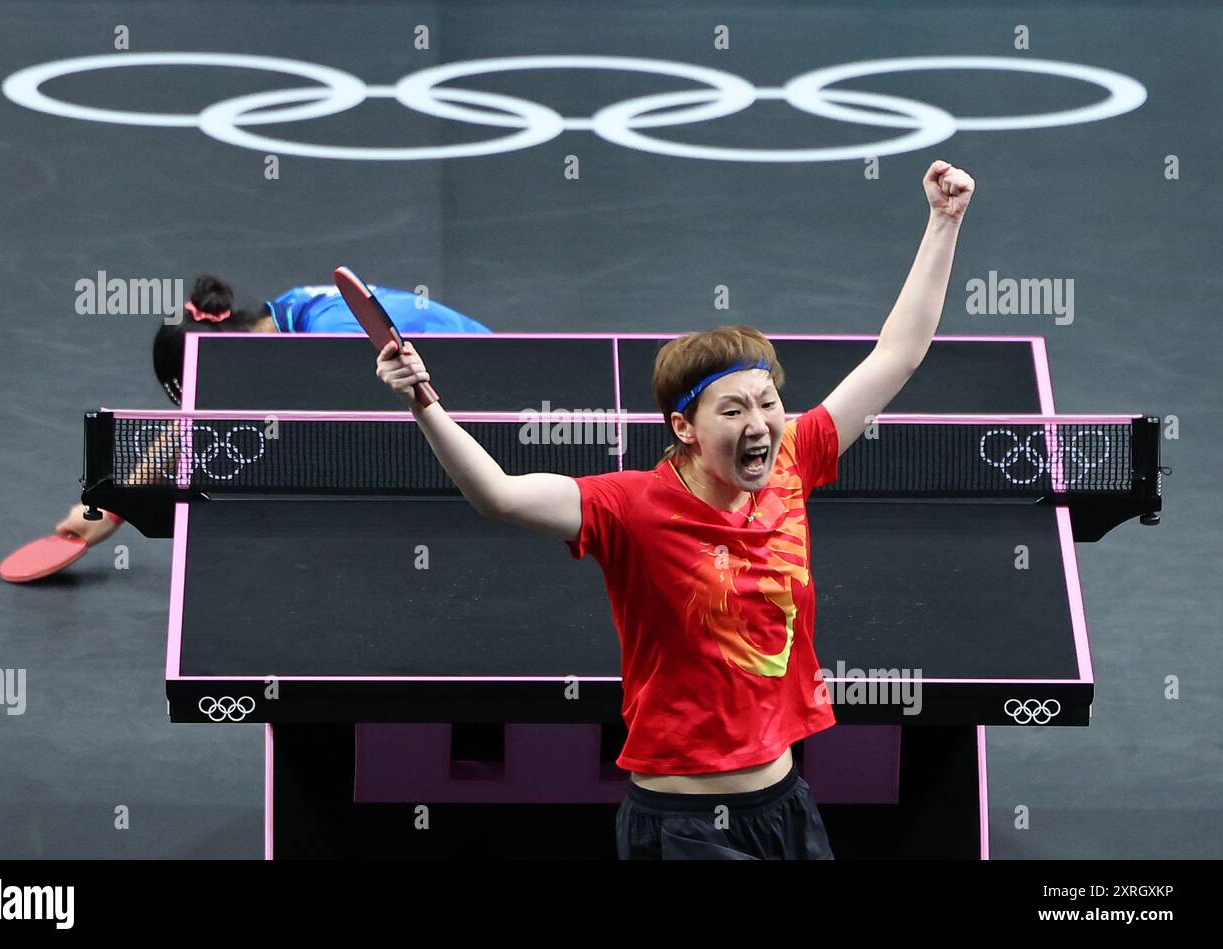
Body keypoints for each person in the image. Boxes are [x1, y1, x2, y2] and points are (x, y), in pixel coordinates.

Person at [374, 160, 975, 859]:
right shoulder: (631, 507)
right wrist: (424, 404)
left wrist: (943, 221)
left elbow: (898, 353)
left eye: (768, 401)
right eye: (734, 408)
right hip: (682, 826)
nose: (760, 421)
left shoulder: (793, 459)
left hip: (783, 804)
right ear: (686, 427)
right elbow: (499, 494)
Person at [54, 274, 490, 544]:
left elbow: (367, 426)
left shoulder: (328, 335)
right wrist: (114, 507)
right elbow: (189, 424)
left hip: (481, 398)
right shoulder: (276, 319)